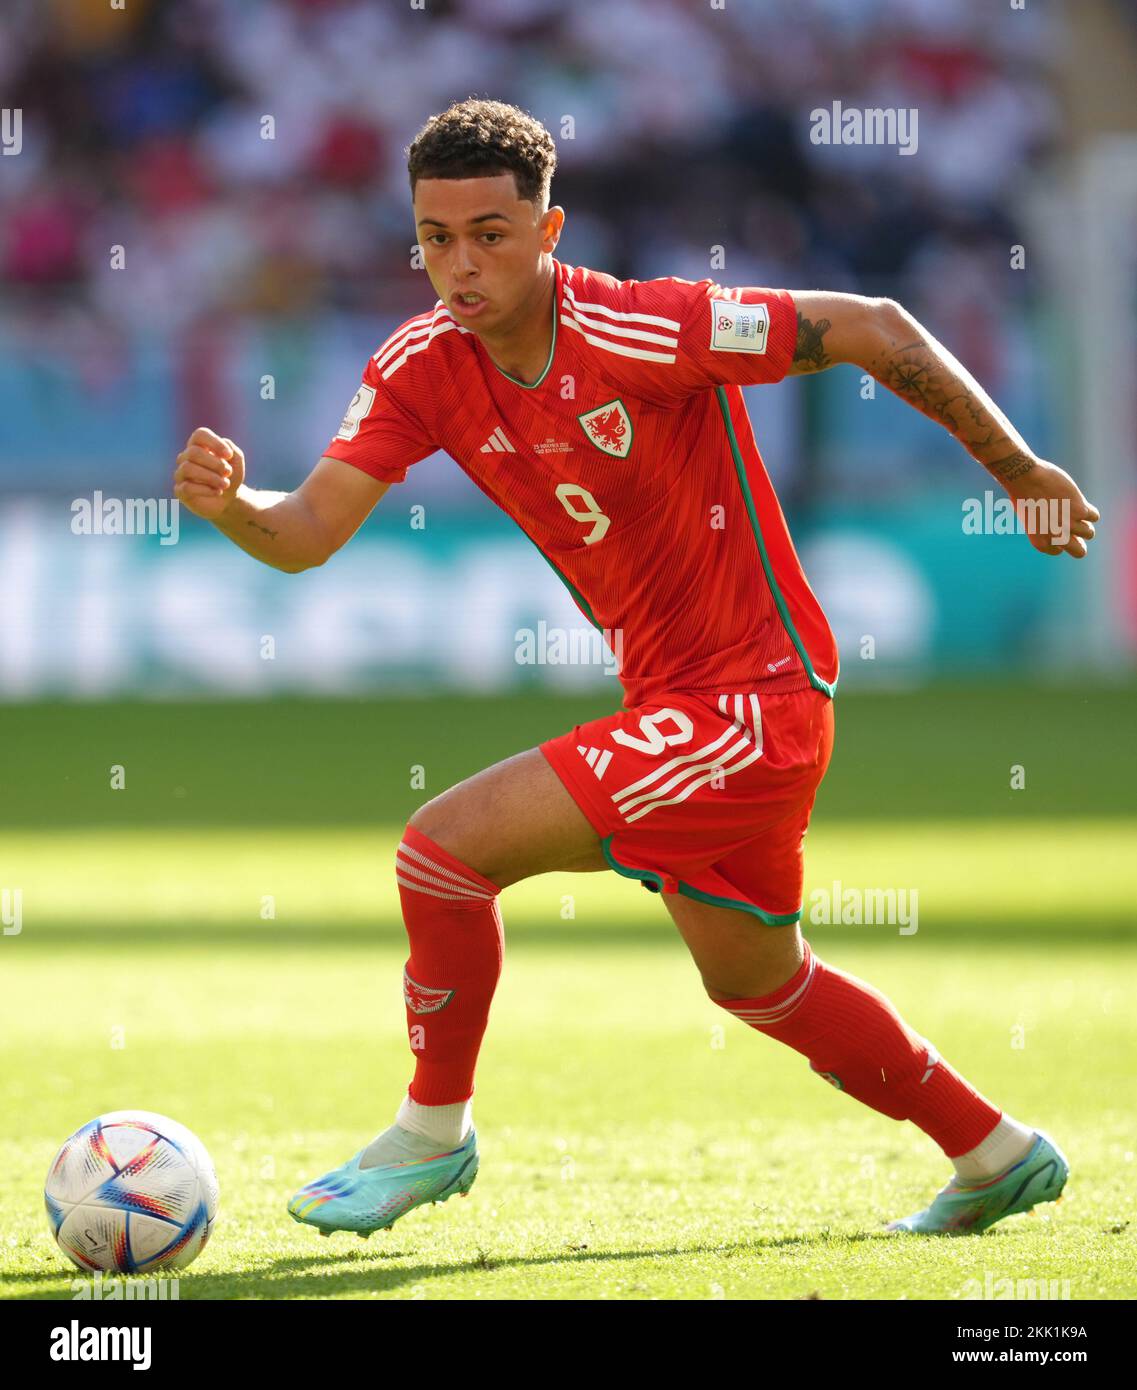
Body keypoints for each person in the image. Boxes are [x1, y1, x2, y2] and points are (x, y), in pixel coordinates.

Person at [173, 99, 1098, 1239]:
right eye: (436, 237)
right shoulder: (420, 365)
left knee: (442, 854)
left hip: (755, 700)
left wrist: (1018, 471)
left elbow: (874, 324)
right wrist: (232, 508)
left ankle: (431, 1134)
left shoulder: (646, 330)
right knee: (759, 982)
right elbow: (308, 532)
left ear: (551, 230)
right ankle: (998, 1151)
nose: (461, 264)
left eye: (492, 234)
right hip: (678, 707)